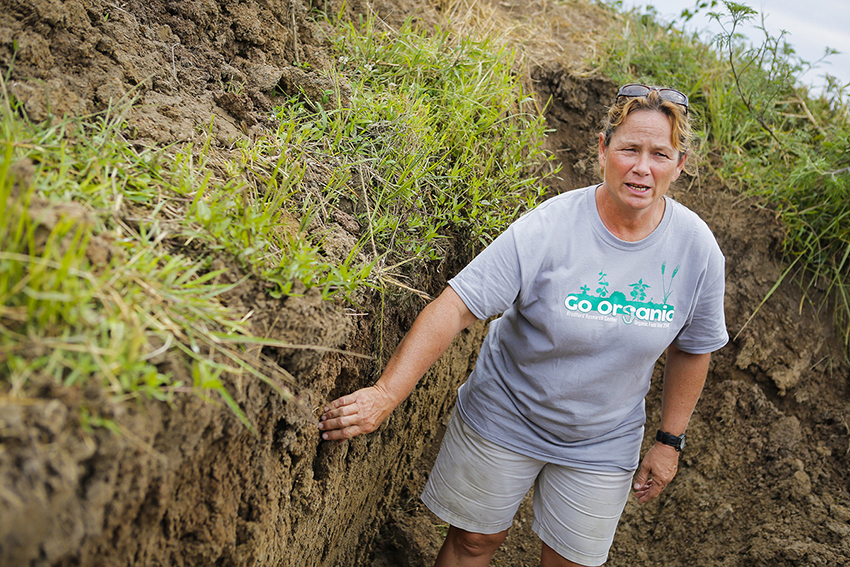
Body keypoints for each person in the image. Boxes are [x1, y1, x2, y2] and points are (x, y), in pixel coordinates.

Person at [319, 83, 728, 567]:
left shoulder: (696, 249)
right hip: (507, 411)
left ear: (678, 165)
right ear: (603, 150)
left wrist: (669, 440)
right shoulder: (551, 227)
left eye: (660, 154)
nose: (642, 167)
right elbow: (457, 305)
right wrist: (386, 394)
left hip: (603, 435)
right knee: (475, 541)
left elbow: (694, 346)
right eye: (629, 149)